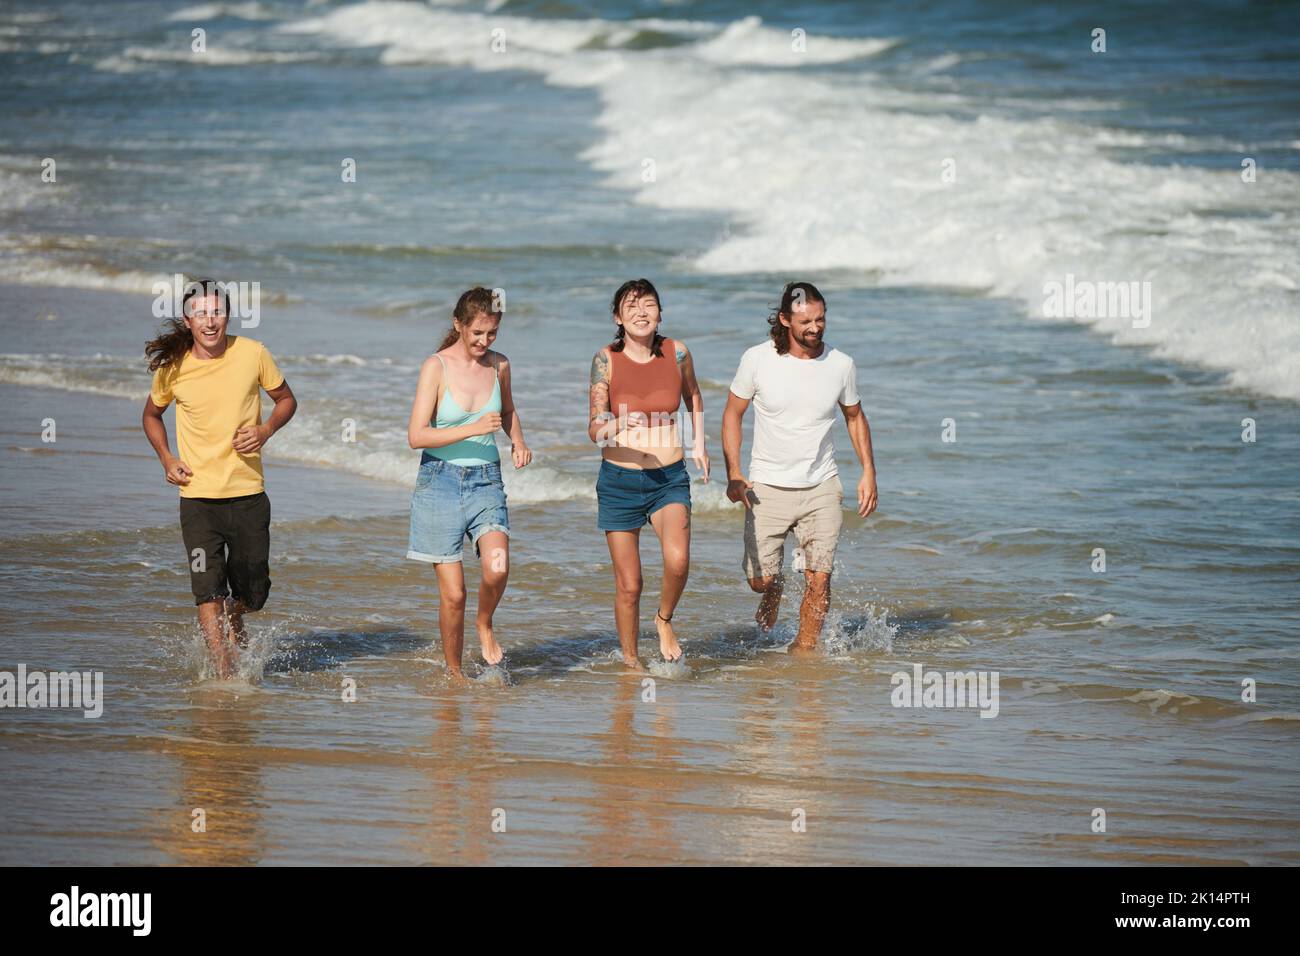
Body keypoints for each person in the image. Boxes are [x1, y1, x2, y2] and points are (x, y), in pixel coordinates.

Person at [142, 277, 297, 679]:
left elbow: (286, 400)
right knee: (207, 587)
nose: (210, 322)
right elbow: (151, 414)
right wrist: (166, 458)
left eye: (217, 312)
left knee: (254, 591)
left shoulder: (253, 353)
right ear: (188, 320)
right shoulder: (174, 367)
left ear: (227, 316)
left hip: (248, 493)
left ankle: (237, 612)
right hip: (197, 498)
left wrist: (265, 431)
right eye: (201, 314)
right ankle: (223, 668)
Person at [722, 281, 877, 652]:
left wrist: (868, 471)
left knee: (819, 579)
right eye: (806, 320)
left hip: (821, 486)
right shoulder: (757, 360)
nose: (815, 327)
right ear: (785, 319)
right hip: (768, 488)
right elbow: (732, 414)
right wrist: (734, 474)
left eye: (821, 319)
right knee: (759, 580)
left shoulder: (841, 364)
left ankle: (804, 653)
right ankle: (773, 587)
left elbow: (855, 417)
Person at [407, 287, 531, 681]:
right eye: (477, 333)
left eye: (492, 333)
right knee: (454, 594)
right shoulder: (436, 367)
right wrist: (473, 428)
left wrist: (519, 442)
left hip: (485, 481)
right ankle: (455, 671)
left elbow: (508, 410)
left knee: (497, 567)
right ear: (458, 325)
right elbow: (417, 436)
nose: (484, 341)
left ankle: (485, 623)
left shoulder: (500, 366)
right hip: (438, 483)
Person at [588, 279, 709, 670]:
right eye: (631, 307)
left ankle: (664, 619)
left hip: (668, 479)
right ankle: (630, 661)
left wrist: (699, 444)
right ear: (618, 318)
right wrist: (619, 423)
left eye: (649, 305)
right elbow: (594, 428)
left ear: (660, 313)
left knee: (677, 561)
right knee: (630, 584)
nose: (641, 313)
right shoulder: (605, 359)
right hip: (619, 482)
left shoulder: (677, 353)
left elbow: (693, 396)